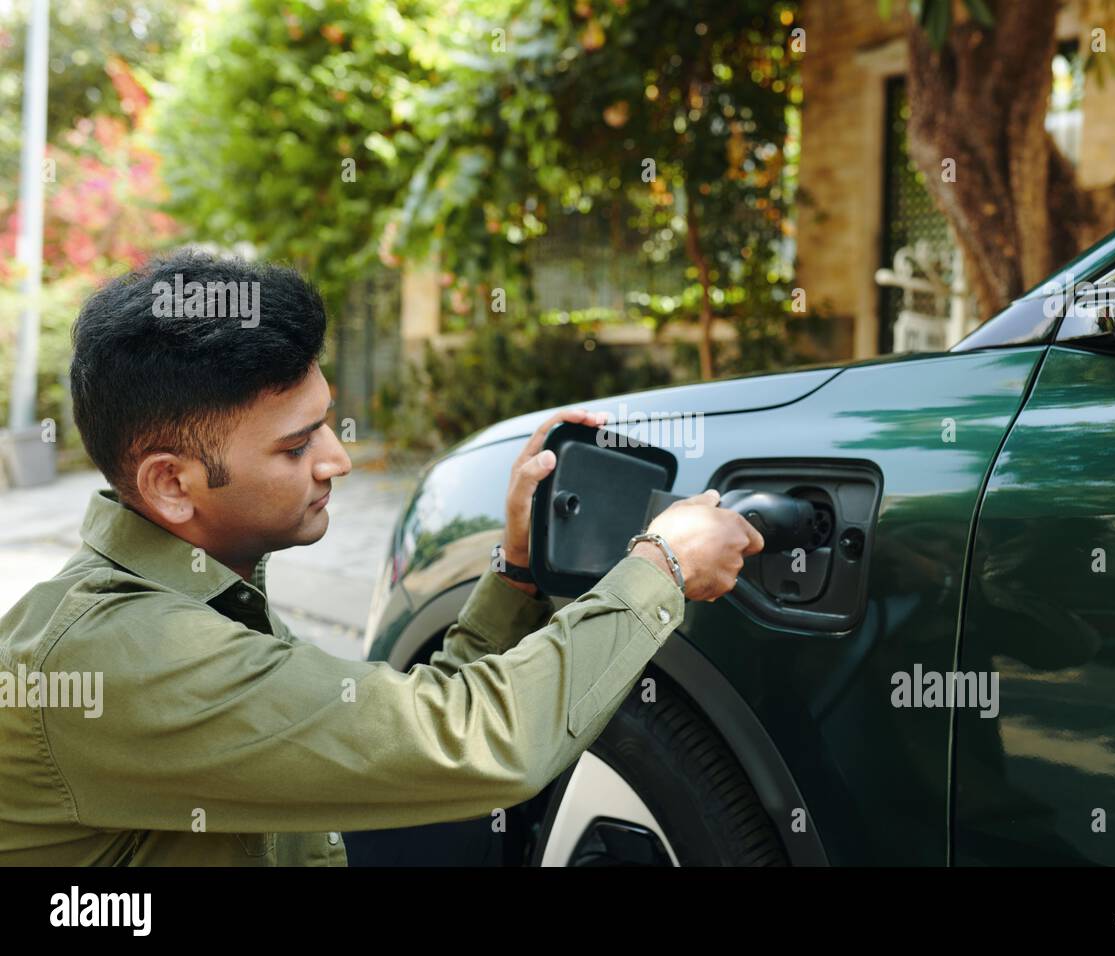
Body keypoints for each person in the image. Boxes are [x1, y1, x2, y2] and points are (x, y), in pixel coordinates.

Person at [0, 248, 763, 865]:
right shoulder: (124, 654)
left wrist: (515, 573)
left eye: (326, 424)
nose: (337, 460)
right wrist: (662, 566)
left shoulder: (195, 594)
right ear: (171, 483)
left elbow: (390, 736)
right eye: (297, 445)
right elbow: (474, 745)